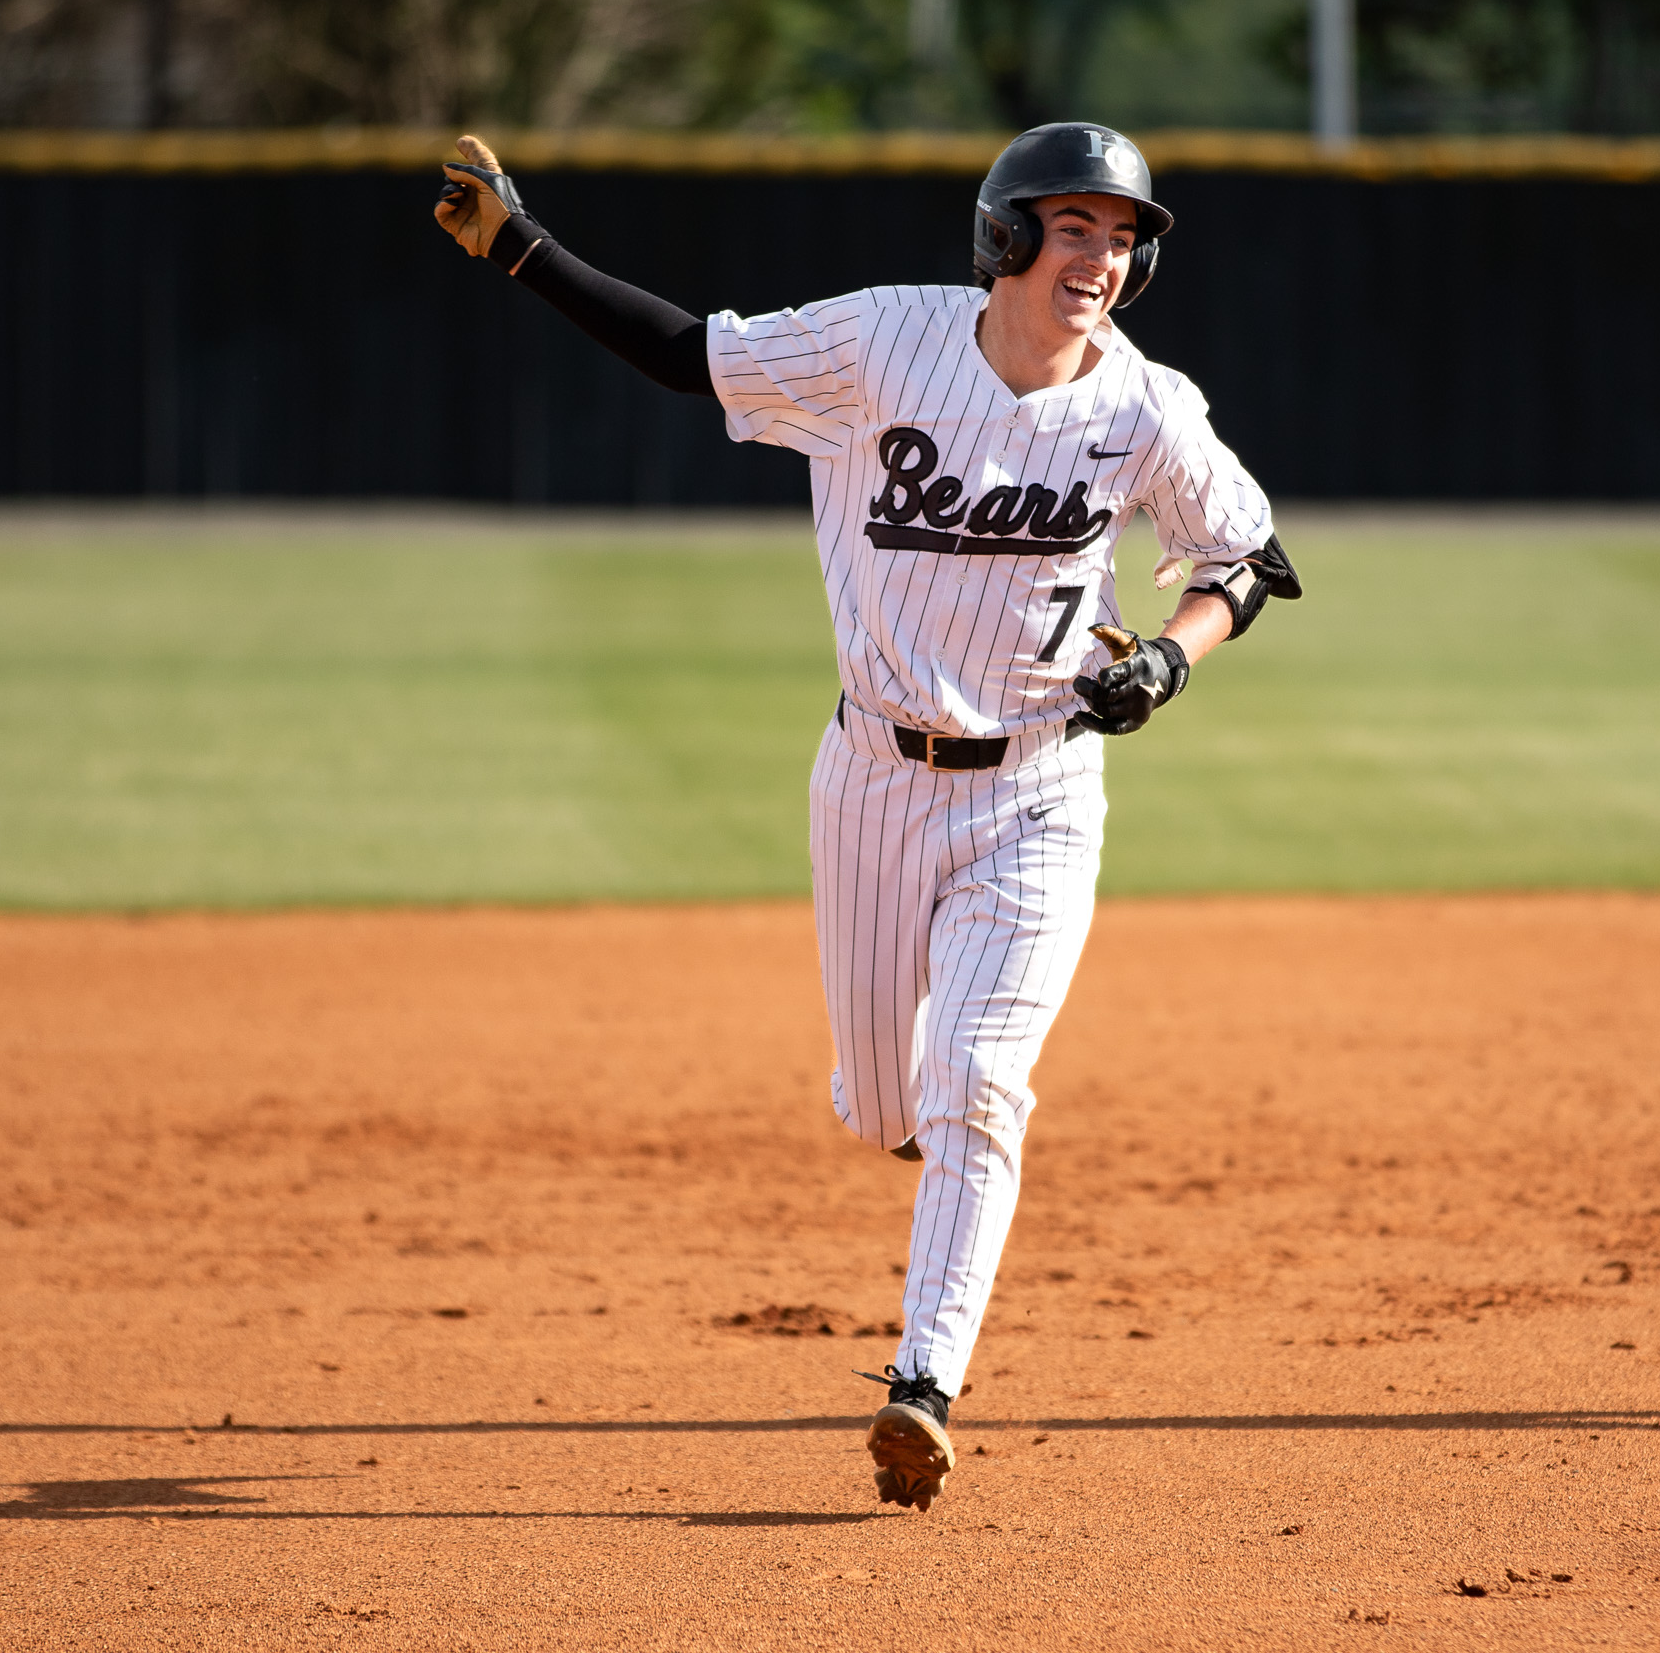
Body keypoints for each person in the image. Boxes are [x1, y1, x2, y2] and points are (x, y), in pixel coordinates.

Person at [434, 123, 1300, 1512]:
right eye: (1071, 225)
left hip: (1040, 785)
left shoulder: (1146, 407)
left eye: (1123, 234)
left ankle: (923, 1385)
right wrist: (523, 251)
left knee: (978, 1079)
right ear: (1006, 237)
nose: (1100, 255)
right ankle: (894, 1110)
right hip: (873, 786)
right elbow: (686, 354)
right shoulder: (880, 345)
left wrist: (1173, 658)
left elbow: (1246, 559)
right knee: (882, 1100)